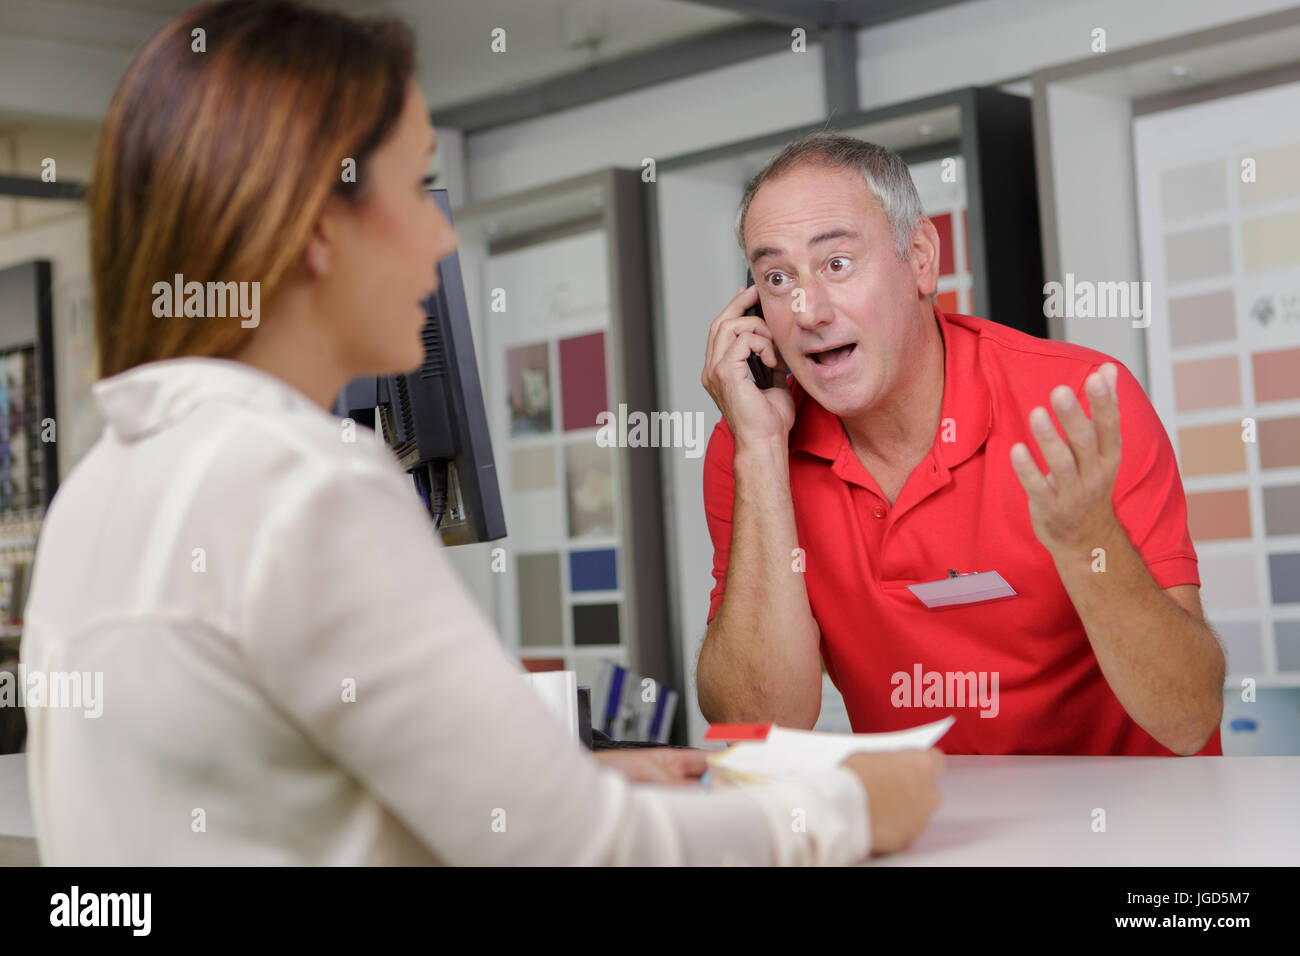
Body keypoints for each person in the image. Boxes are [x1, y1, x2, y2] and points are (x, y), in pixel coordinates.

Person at [19, 0, 942, 865]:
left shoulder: (106, 483)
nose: (441, 238)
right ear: (314, 230)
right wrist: (853, 806)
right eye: (416, 189)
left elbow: (275, 806)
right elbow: (589, 853)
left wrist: (550, 782)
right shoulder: (299, 485)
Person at [697, 133, 1226, 756]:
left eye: (836, 264)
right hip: (930, 835)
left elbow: (1189, 717)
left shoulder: (1076, 403)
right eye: (778, 278)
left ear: (920, 257)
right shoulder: (754, 441)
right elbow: (757, 727)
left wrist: (1089, 541)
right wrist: (759, 457)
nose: (807, 310)